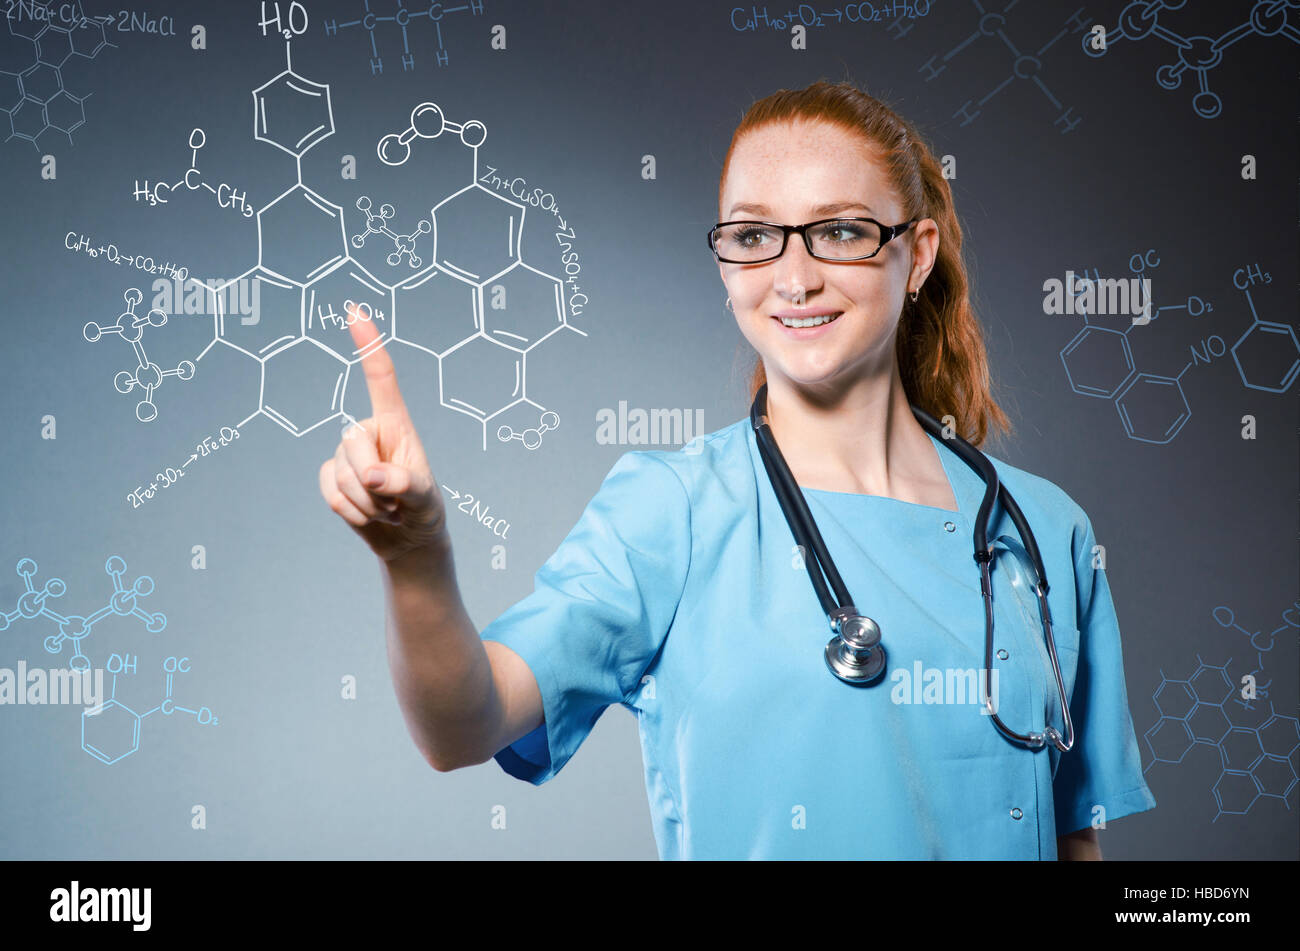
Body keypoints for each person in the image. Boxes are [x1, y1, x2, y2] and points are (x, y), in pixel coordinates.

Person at [319, 80, 1155, 860]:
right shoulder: (673, 509)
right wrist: (417, 560)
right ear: (726, 264)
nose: (794, 277)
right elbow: (464, 725)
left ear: (918, 252)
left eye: (840, 231)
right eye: (754, 237)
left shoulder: (1044, 532)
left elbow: (1074, 839)